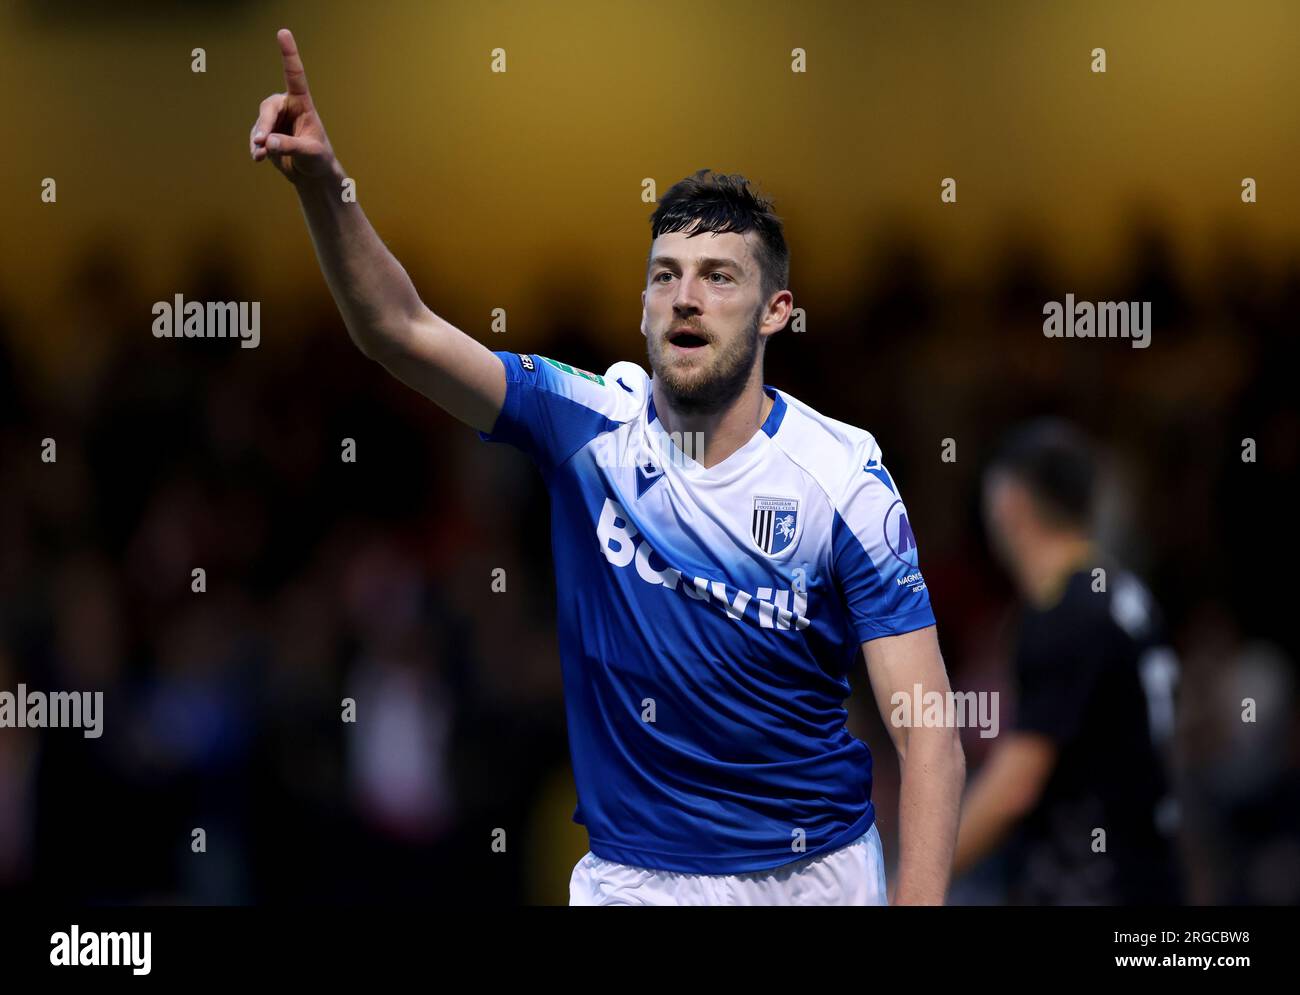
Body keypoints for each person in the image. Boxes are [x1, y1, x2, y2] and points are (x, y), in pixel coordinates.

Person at [249, 28, 964, 905]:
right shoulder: (587, 425)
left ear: (777, 311)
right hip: (638, 881)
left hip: (813, 877)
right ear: (642, 305)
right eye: (665, 276)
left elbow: (927, 731)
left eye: (717, 277)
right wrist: (325, 187)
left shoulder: (844, 480)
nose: (686, 297)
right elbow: (398, 329)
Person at [955, 419, 1184, 904]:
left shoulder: (1064, 613)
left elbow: (1016, 785)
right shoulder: (1125, 593)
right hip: (1150, 876)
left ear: (1007, 501)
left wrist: (913, 879)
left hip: (1091, 886)